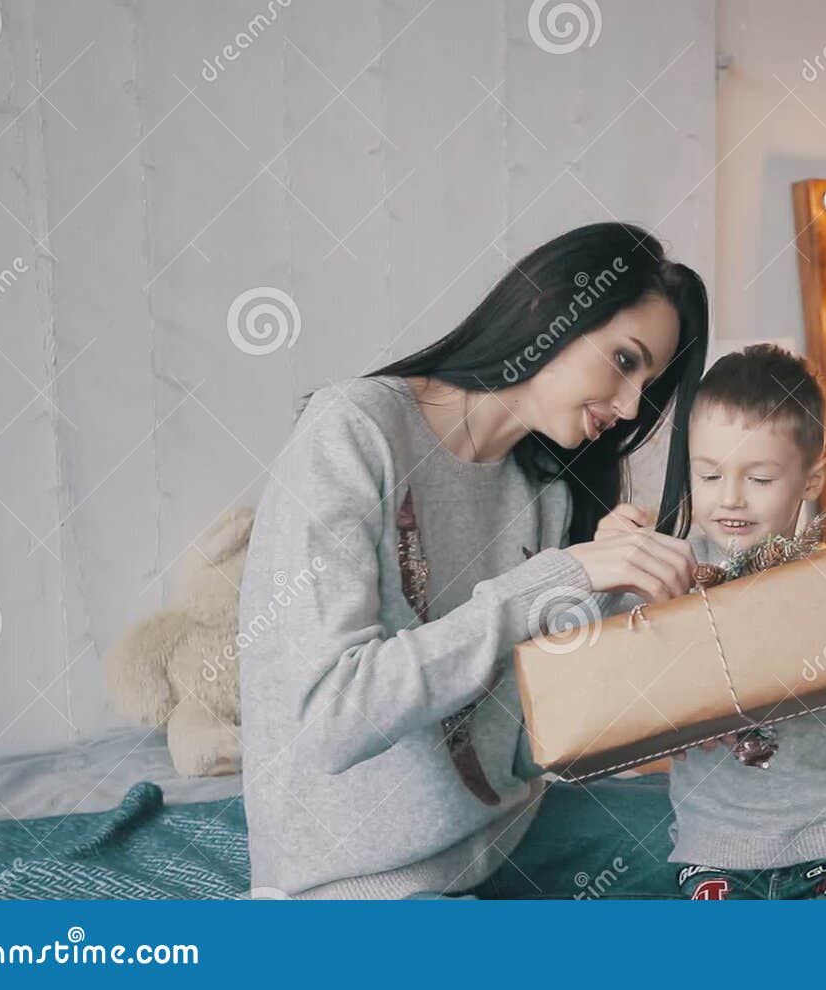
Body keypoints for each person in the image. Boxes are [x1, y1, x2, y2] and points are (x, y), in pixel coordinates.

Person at [237, 222, 709, 899]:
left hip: (509, 835)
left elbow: (521, 742)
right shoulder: (354, 431)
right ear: (550, 310)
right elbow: (330, 720)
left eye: (649, 382)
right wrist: (559, 579)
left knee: (736, 837)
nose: (633, 406)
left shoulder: (546, 489)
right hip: (361, 880)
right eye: (624, 360)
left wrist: (606, 607)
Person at [597, 344, 826, 899]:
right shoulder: (668, 576)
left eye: (761, 479)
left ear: (812, 480)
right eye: (709, 474)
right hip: (715, 854)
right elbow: (610, 683)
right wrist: (609, 567)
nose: (731, 499)